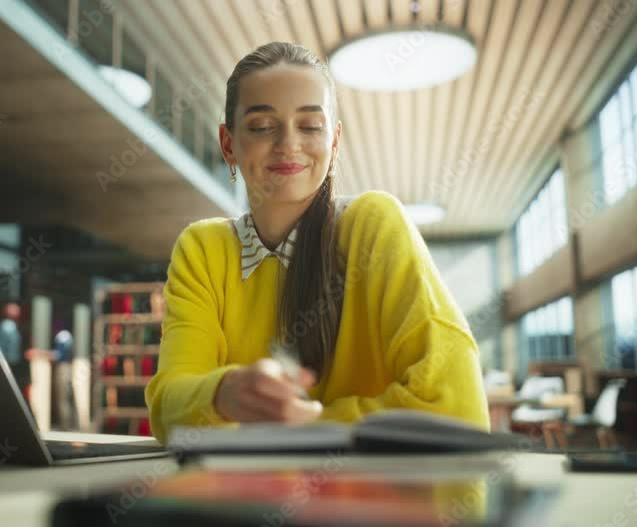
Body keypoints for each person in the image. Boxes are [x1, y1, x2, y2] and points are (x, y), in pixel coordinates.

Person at [144, 42, 489, 444]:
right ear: (228, 144)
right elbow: (168, 410)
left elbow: (457, 408)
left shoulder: (374, 225)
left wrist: (295, 428)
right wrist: (224, 394)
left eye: (310, 125)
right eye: (260, 126)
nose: (288, 143)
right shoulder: (202, 249)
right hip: (242, 503)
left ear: (335, 141)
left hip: (374, 500)